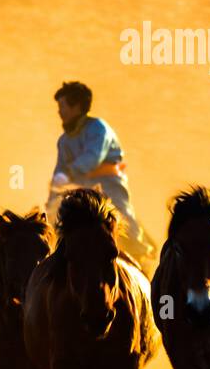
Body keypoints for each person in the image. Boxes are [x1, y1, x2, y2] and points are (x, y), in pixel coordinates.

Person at [48, 81, 157, 269]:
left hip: (109, 184)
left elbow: (93, 157)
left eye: (63, 106)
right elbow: (60, 170)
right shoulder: (64, 141)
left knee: (121, 216)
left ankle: (139, 256)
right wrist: (52, 198)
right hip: (81, 191)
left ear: (77, 107)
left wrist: (69, 174)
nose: (60, 112)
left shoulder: (98, 129)